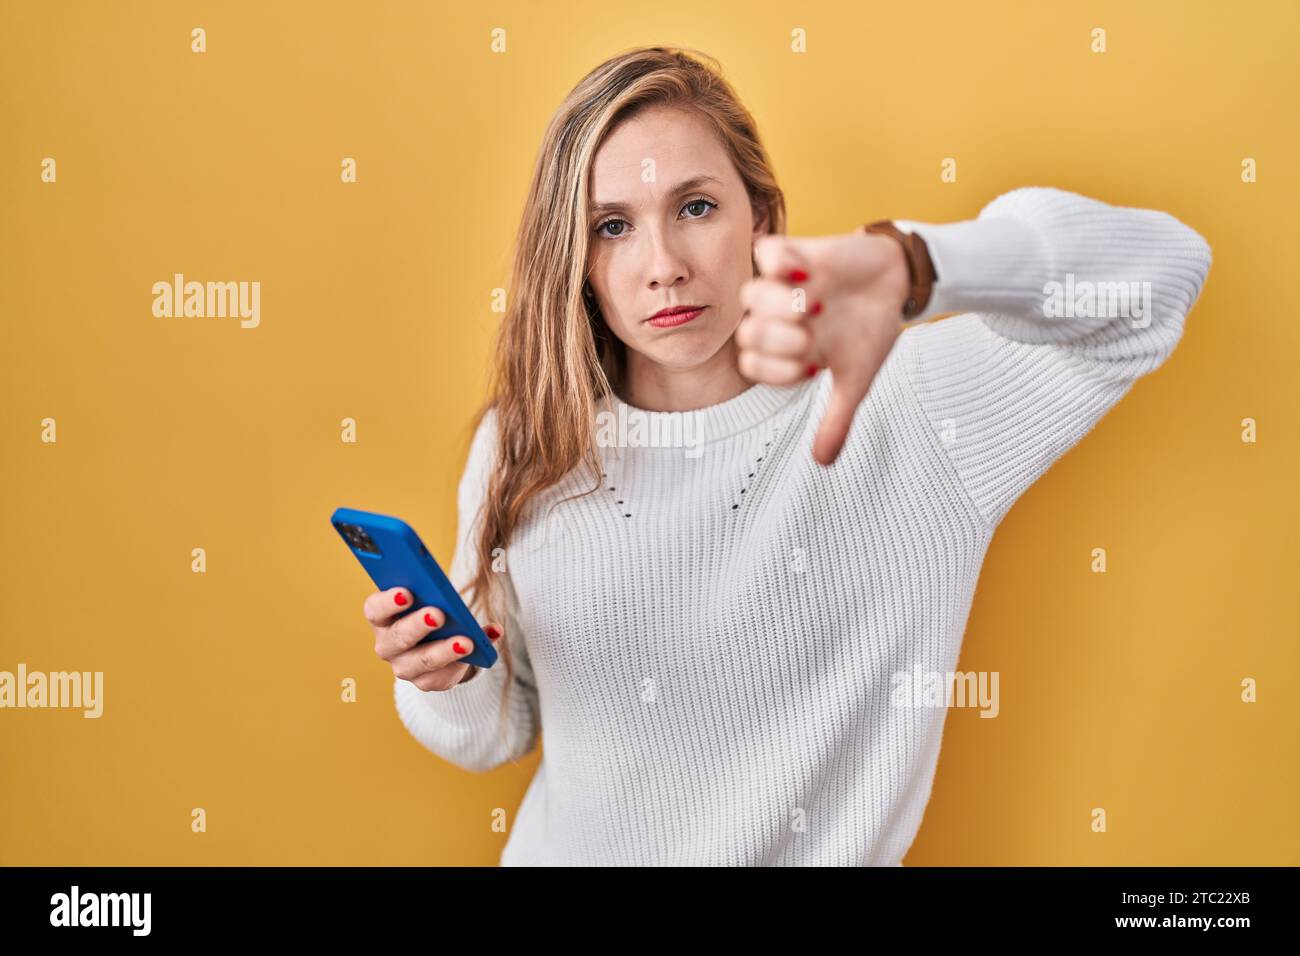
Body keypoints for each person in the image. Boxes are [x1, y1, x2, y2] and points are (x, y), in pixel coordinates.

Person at [362, 46, 1212, 865]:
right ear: (576, 262)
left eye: (696, 207)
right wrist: (443, 672)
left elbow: (1164, 274)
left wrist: (915, 263)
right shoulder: (529, 440)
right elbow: (492, 735)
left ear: (761, 217)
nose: (662, 267)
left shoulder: (908, 402)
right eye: (612, 226)